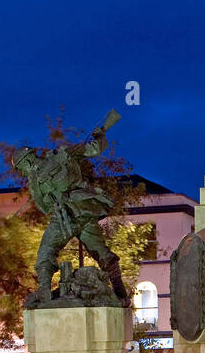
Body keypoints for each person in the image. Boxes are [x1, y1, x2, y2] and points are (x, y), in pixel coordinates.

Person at [12, 111, 128, 305]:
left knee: (46, 251)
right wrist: (100, 134)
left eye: (21, 168)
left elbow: (44, 207)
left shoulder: (34, 181)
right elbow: (94, 149)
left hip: (64, 217)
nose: (22, 172)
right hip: (85, 210)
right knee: (101, 251)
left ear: (27, 162)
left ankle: (44, 291)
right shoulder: (63, 154)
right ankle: (120, 291)